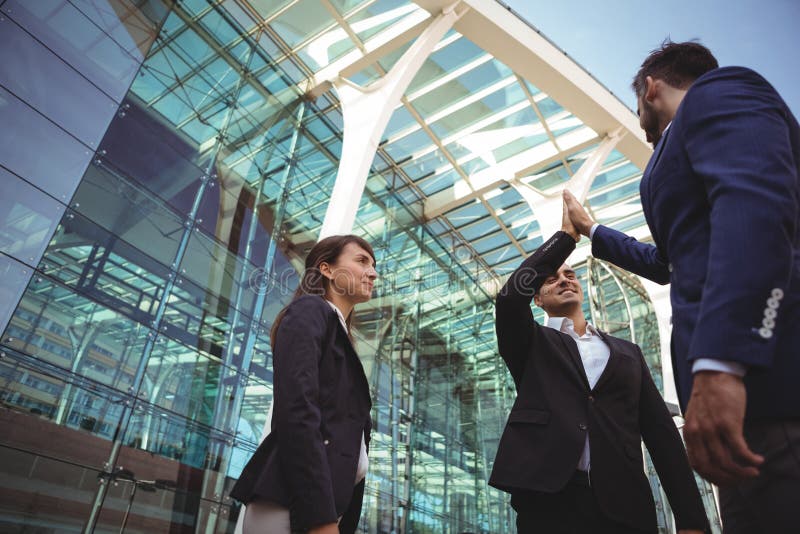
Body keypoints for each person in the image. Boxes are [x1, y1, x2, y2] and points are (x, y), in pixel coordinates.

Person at [564, 40, 799, 533]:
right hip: (737, 409)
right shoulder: (678, 149)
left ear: (651, 87)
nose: (642, 128)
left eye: (638, 109)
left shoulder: (721, 92)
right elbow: (670, 262)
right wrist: (593, 232)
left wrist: (722, 363)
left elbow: (755, 209)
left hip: (768, 382)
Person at [489, 203, 708, 533]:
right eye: (552, 279)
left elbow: (663, 440)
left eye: (570, 275)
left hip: (626, 507)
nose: (565, 280)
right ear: (537, 299)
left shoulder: (628, 353)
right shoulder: (530, 343)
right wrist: (565, 238)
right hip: (549, 505)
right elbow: (508, 299)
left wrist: (693, 522)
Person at [230, 235, 378, 534]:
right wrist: (319, 518)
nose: (373, 273)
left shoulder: (336, 330)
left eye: (374, 265)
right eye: (361, 261)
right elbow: (297, 411)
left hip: (320, 507)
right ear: (327, 269)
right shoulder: (311, 310)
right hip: (295, 506)